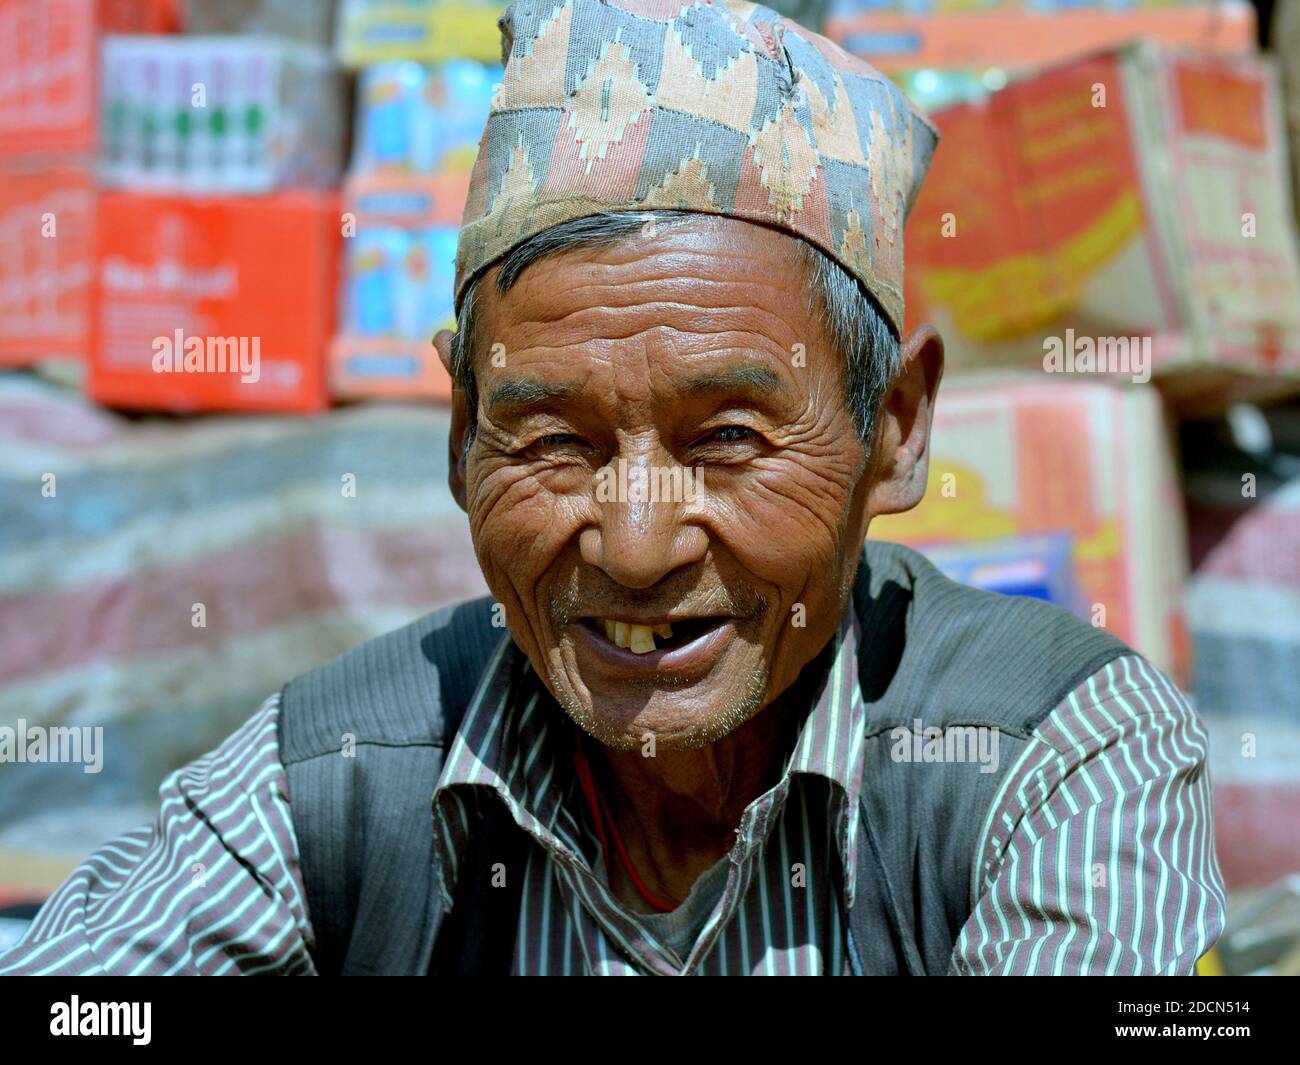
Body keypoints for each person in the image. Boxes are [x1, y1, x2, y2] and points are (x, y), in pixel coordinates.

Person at [2, 0, 1224, 976]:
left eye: (729, 438)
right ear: (459, 437)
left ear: (894, 432)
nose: (634, 548)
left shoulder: (1050, 758)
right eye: (554, 441)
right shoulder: (337, 774)